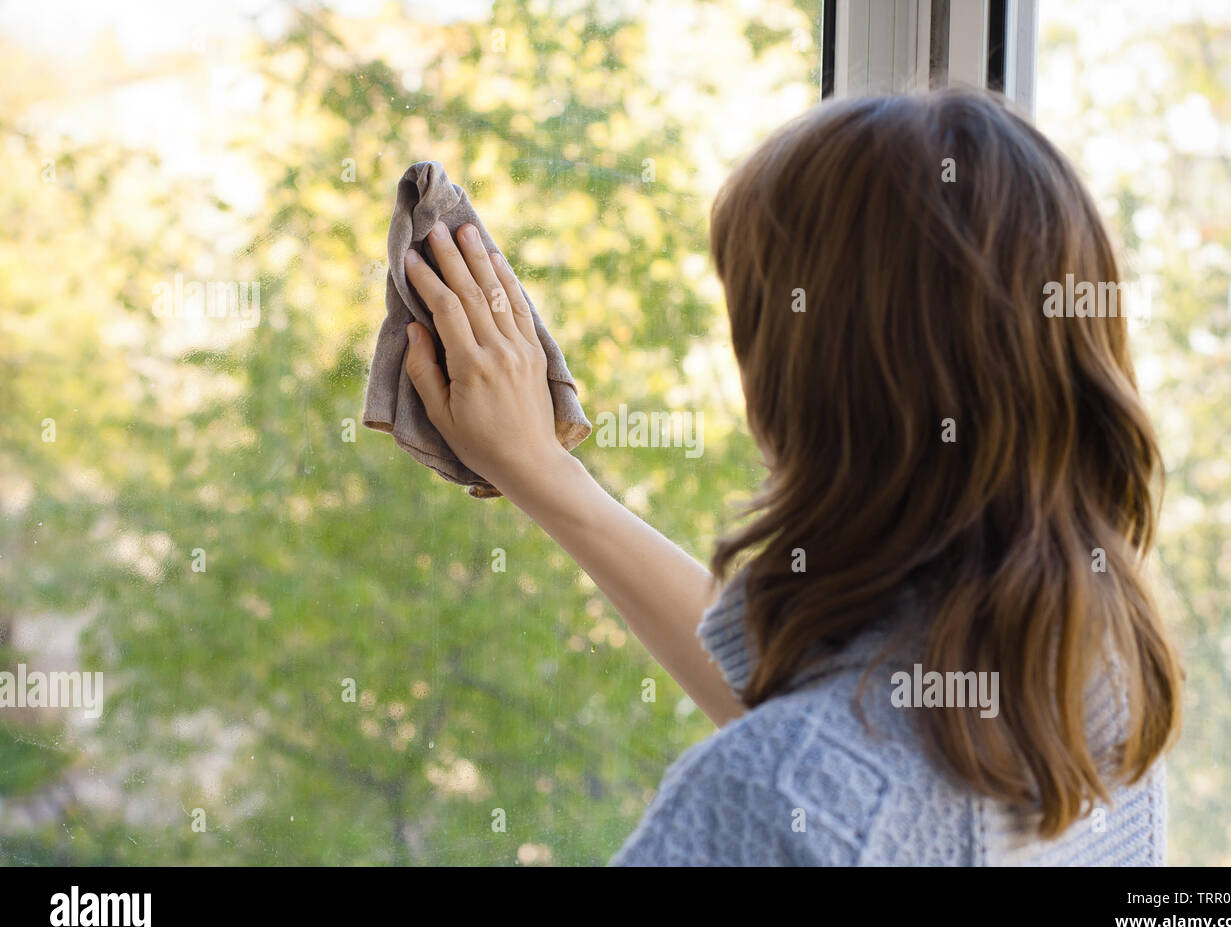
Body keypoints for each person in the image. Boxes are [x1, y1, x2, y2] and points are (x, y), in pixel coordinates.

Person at [397, 89, 1182, 865]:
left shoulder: (763, 803)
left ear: (806, 389)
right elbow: (849, 735)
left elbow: (807, 779)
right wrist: (541, 472)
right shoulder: (1095, 682)